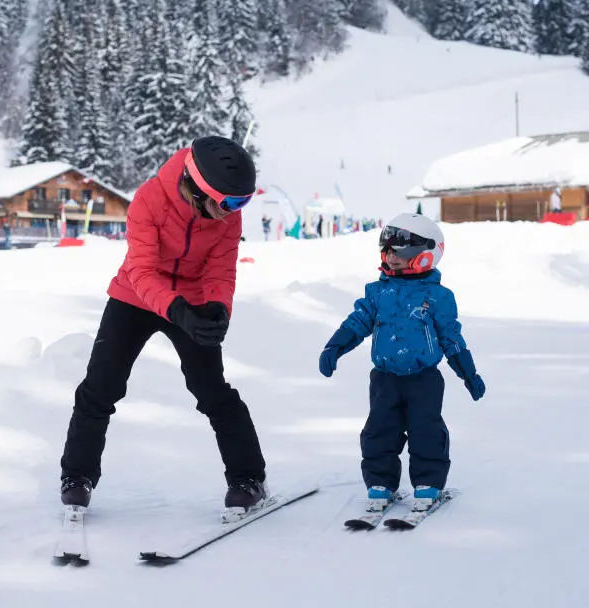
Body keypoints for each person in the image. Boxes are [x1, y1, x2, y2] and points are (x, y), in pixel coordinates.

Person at [59, 136, 268, 514]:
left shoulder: (226, 215)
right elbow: (141, 269)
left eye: (242, 203)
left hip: (194, 299)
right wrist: (177, 311)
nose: (234, 212)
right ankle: (77, 475)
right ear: (196, 189)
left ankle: (248, 477)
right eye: (229, 202)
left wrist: (219, 307)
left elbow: (221, 269)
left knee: (212, 391)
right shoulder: (149, 199)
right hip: (134, 295)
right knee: (100, 387)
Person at [318, 213, 485, 512]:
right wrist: (335, 347)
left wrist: (468, 374)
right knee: (379, 431)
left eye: (398, 251)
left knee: (426, 431)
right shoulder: (377, 291)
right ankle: (380, 483)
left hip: (424, 379)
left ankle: (428, 483)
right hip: (384, 378)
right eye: (387, 251)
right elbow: (358, 322)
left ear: (425, 254)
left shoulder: (437, 296)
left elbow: (451, 338)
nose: (390, 257)